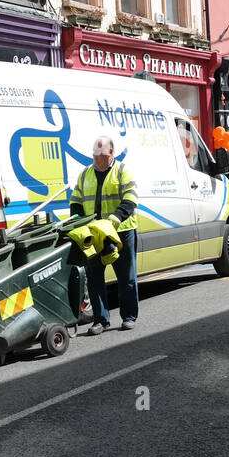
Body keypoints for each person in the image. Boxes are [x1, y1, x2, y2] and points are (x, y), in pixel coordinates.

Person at [69, 135, 139, 335]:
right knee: (94, 278)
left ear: (111, 154)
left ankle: (129, 317)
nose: (97, 160)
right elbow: (75, 201)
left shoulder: (122, 171)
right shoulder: (85, 175)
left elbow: (130, 199)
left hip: (121, 232)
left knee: (126, 277)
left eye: (102, 156)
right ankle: (100, 320)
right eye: (95, 156)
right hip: (93, 234)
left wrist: (115, 218)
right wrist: (79, 222)